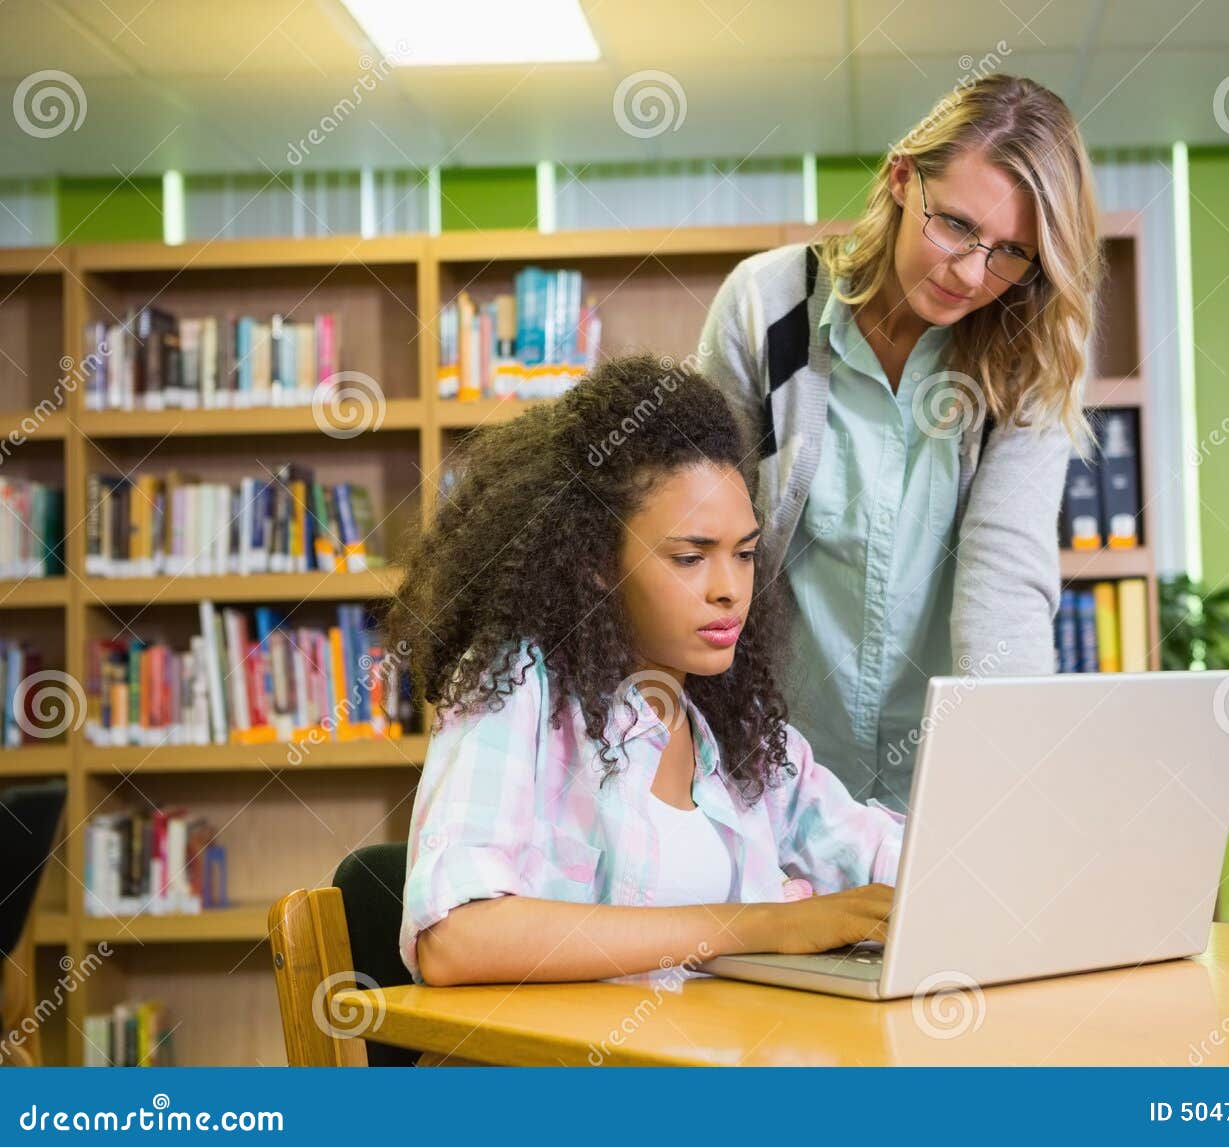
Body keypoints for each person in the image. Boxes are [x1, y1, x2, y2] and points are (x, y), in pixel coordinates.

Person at [389, 355, 902, 985]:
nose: (729, 590)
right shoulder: (519, 683)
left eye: (743, 554)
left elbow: (872, 849)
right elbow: (456, 939)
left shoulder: (737, 722)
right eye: (690, 558)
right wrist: (761, 924)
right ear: (597, 561)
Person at [698, 74, 1103, 810]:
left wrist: (1008, 795)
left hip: (946, 782)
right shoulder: (767, 308)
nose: (974, 274)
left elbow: (1005, 581)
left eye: (1013, 252)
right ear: (900, 178)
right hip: (772, 777)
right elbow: (701, 543)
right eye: (954, 225)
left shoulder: (1033, 352)